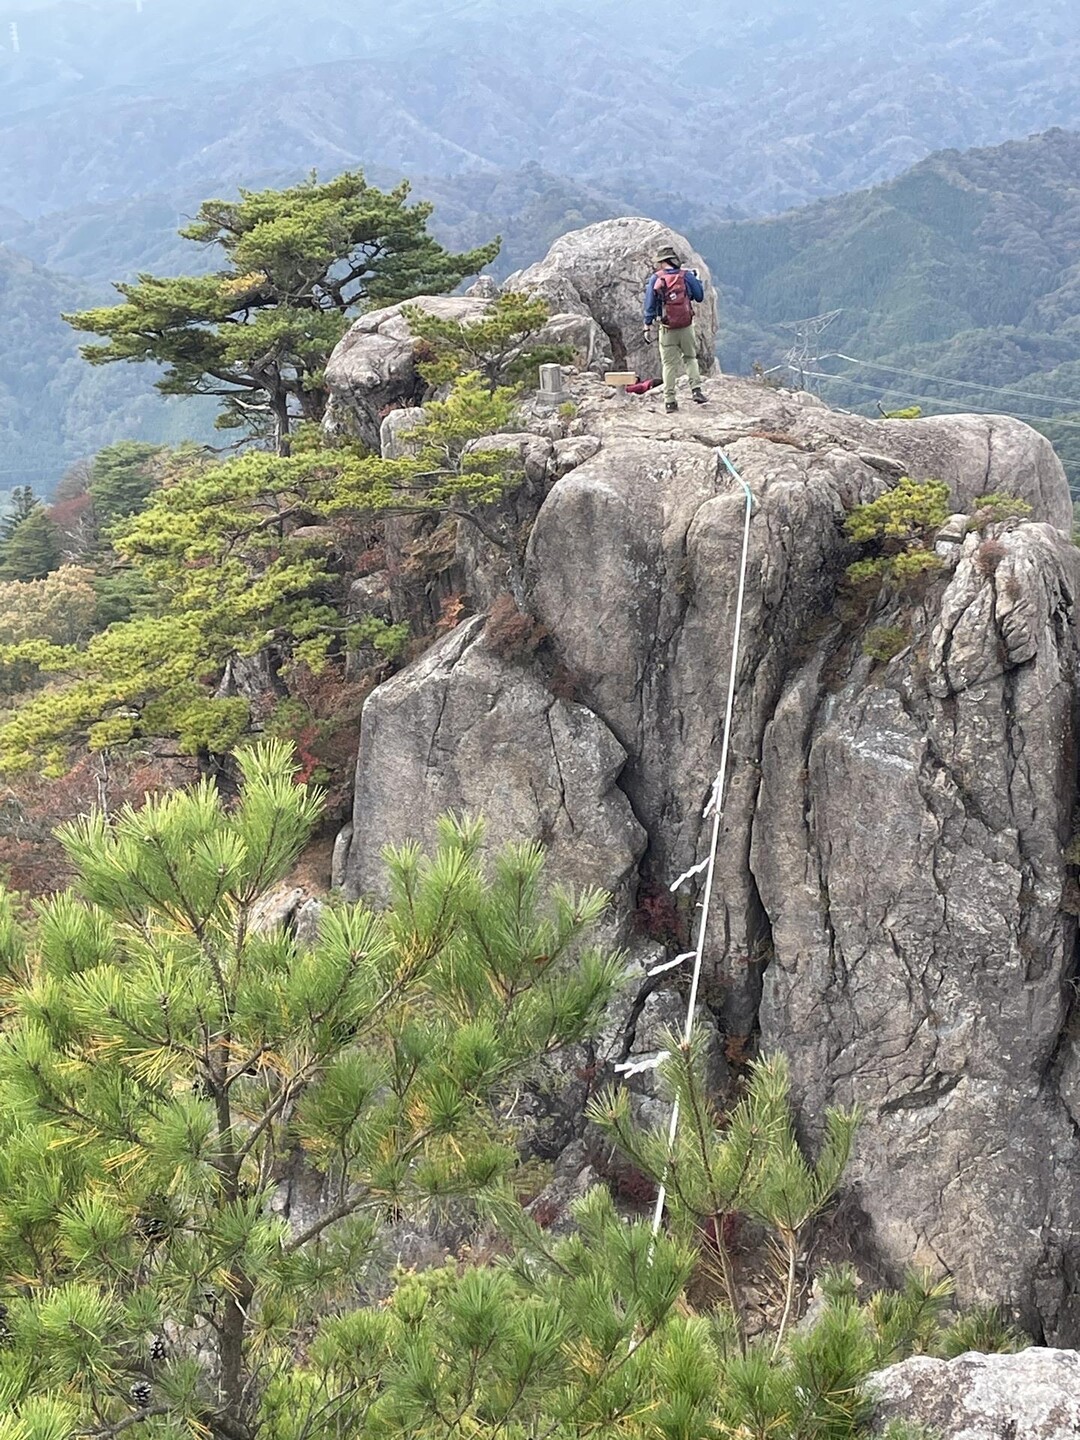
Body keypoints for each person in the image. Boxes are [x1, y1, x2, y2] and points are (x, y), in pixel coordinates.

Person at [643, 246, 707, 413]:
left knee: (669, 364)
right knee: (690, 358)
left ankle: (670, 401)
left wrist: (647, 325)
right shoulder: (686, 276)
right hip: (686, 325)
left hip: (667, 327)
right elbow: (699, 297)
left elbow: (650, 304)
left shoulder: (656, 279)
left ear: (664, 262)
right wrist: (697, 281)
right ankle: (696, 390)